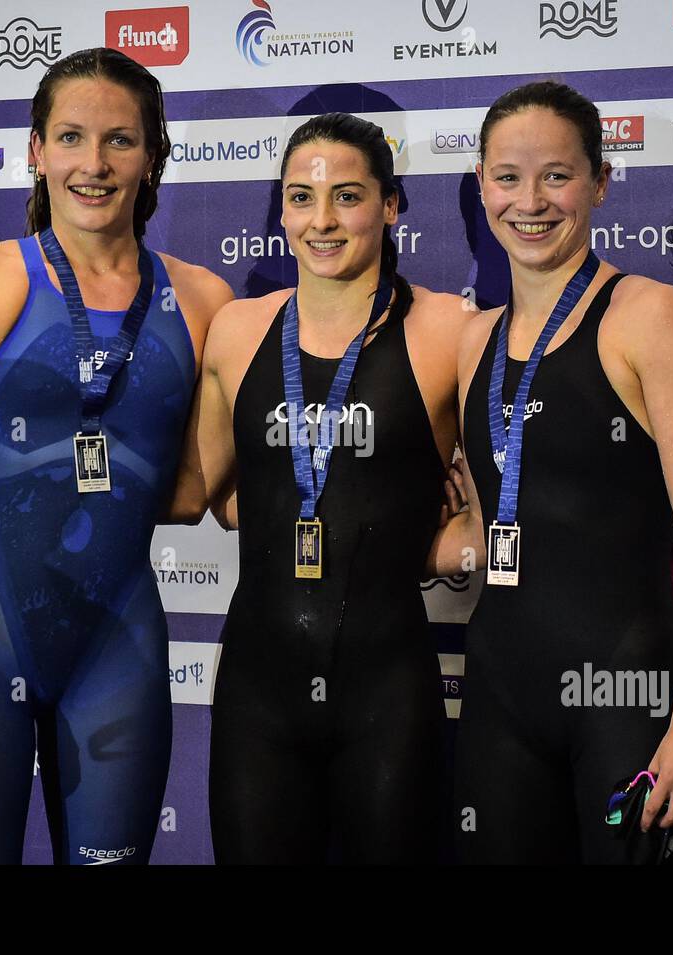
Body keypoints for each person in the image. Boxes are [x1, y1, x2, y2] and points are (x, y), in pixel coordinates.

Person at [0, 48, 232, 865]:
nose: (94, 163)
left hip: (119, 650)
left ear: (153, 157)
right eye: (71, 138)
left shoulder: (203, 299)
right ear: (36, 150)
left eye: (120, 141)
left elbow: (188, 495)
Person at [451, 81, 673, 864]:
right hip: (500, 702)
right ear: (482, 185)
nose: (530, 201)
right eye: (508, 177)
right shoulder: (473, 341)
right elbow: (487, 526)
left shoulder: (650, 316)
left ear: (601, 182)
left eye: (557, 175)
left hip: (630, 700)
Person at [191, 112, 477, 863]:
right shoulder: (237, 329)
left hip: (387, 692)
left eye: (347, 196)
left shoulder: (449, 329)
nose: (321, 221)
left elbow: (521, 490)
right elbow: (206, 491)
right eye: (300, 197)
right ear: (280, 210)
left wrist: (447, 542)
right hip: (258, 690)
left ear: (389, 205)